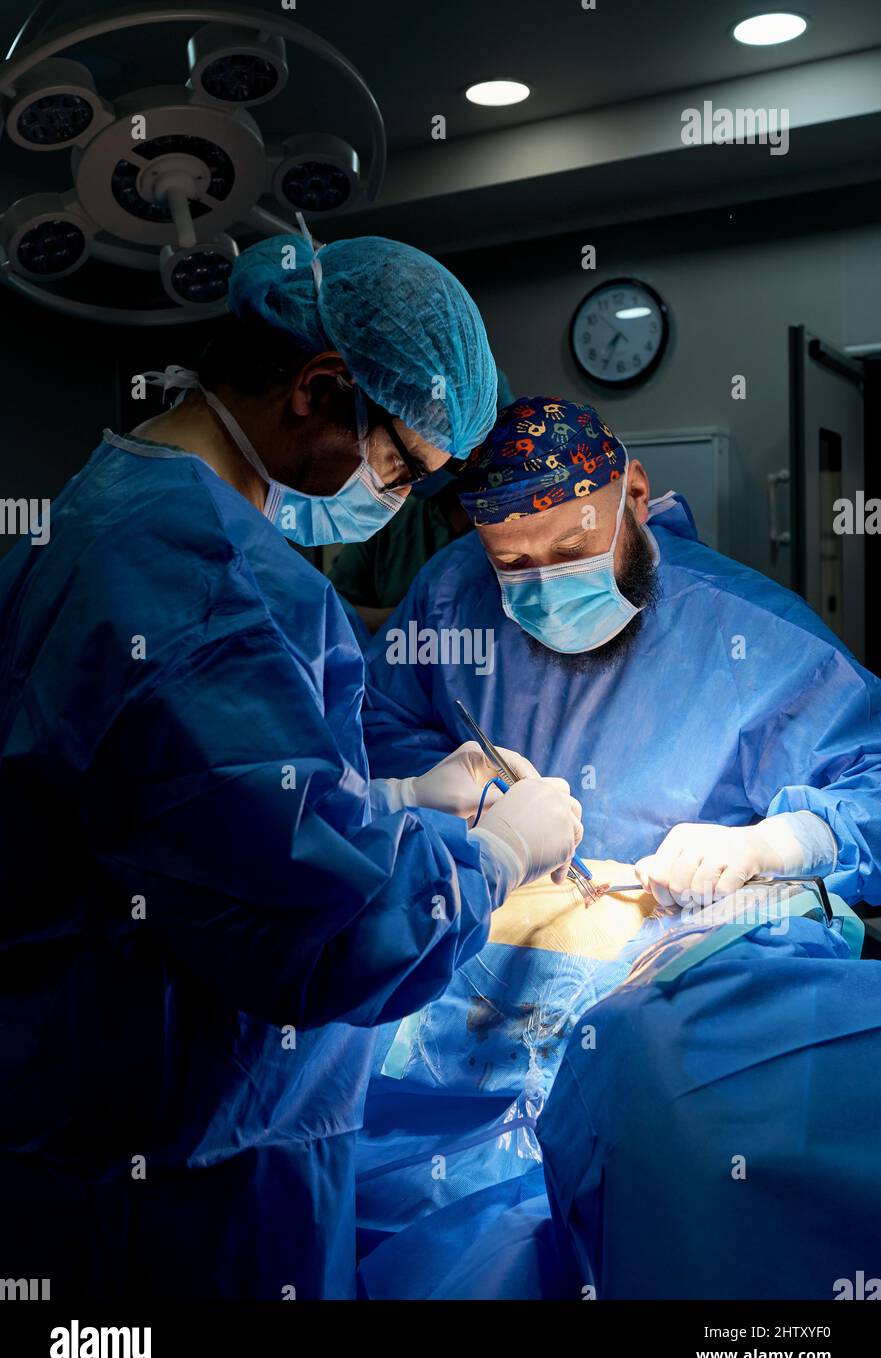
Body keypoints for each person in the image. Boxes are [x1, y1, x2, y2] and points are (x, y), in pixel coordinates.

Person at [0, 242, 584, 1301]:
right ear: (317, 388)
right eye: (400, 466)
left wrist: (398, 798)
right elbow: (329, 933)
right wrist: (498, 852)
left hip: (79, 1114)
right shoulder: (200, 576)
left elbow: (182, 811)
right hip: (179, 1178)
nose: (398, 501)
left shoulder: (103, 510)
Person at [363, 395, 881, 911]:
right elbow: (379, 724)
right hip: (491, 925)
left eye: (571, 550)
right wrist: (456, 805)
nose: (544, 589)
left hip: (681, 957)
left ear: (634, 494)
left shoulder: (751, 631)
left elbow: (871, 788)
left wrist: (772, 845)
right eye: (514, 562)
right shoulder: (451, 593)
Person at [330, 370, 517, 635]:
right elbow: (335, 612)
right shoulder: (391, 520)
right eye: (413, 463)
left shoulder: (516, 538)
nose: (403, 484)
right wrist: (414, 620)